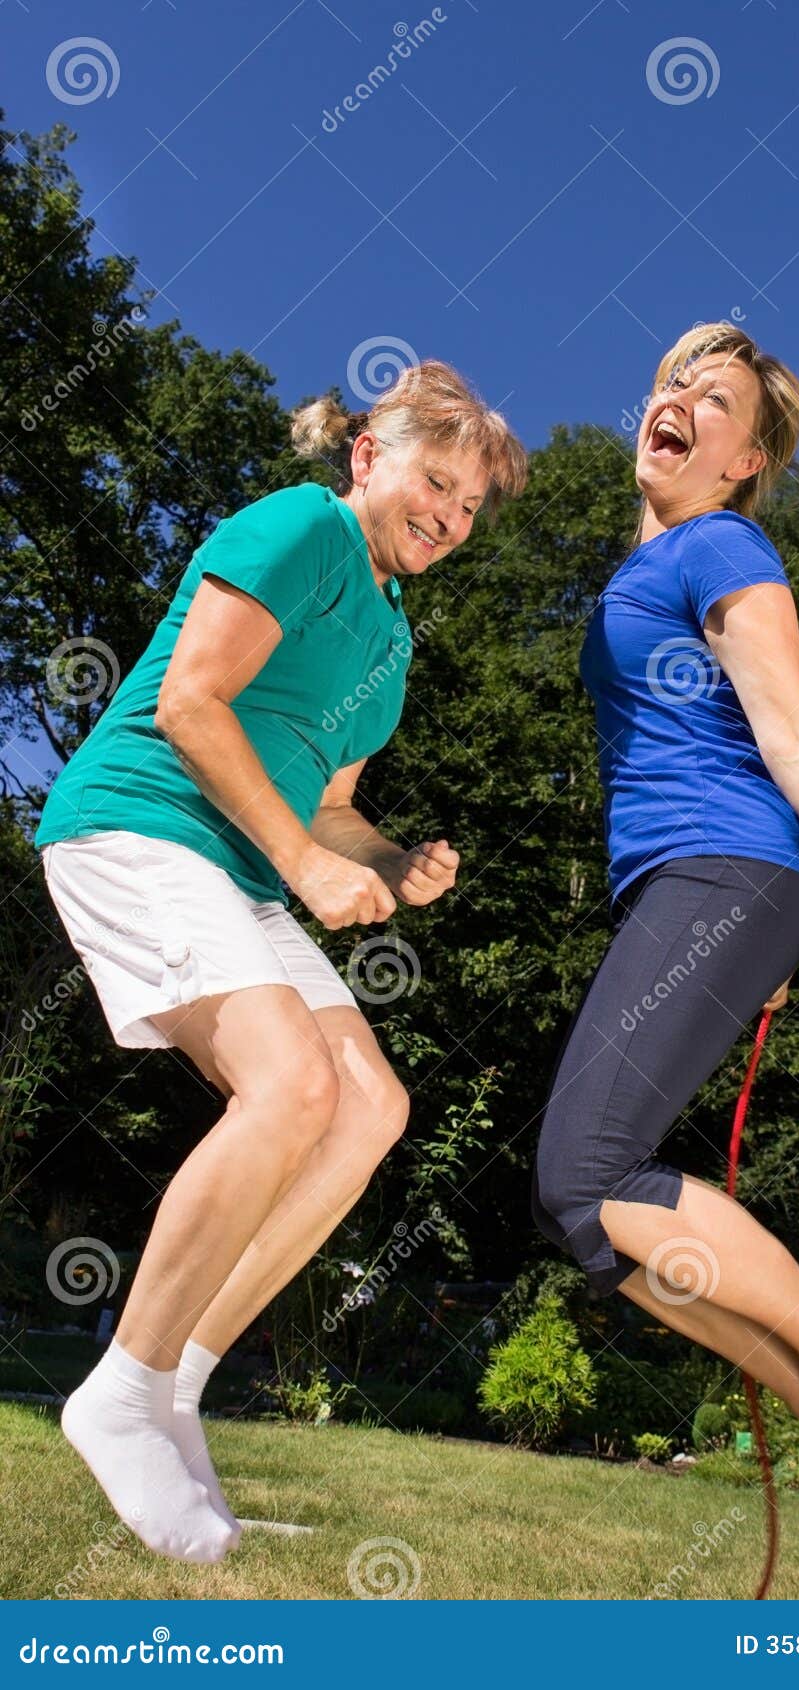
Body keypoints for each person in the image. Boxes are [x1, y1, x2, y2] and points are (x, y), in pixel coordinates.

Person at [35, 360, 527, 1563]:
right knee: (291, 1085)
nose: (450, 518)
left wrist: (392, 856)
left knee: (368, 1105)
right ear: (368, 456)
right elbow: (194, 704)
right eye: (436, 482)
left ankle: (174, 1392)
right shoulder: (299, 527)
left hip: (243, 870)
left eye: (470, 507)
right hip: (137, 823)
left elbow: (332, 808)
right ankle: (118, 1386)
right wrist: (310, 871)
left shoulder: (392, 646)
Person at [531, 322, 799, 1567]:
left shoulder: (723, 544)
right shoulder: (656, 557)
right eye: (669, 384)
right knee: (593, 1213)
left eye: (713, 402)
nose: (675, 404)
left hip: (730, 869)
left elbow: (793, 733)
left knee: (586, 1168)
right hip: (707, 889)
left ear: (743, 464)